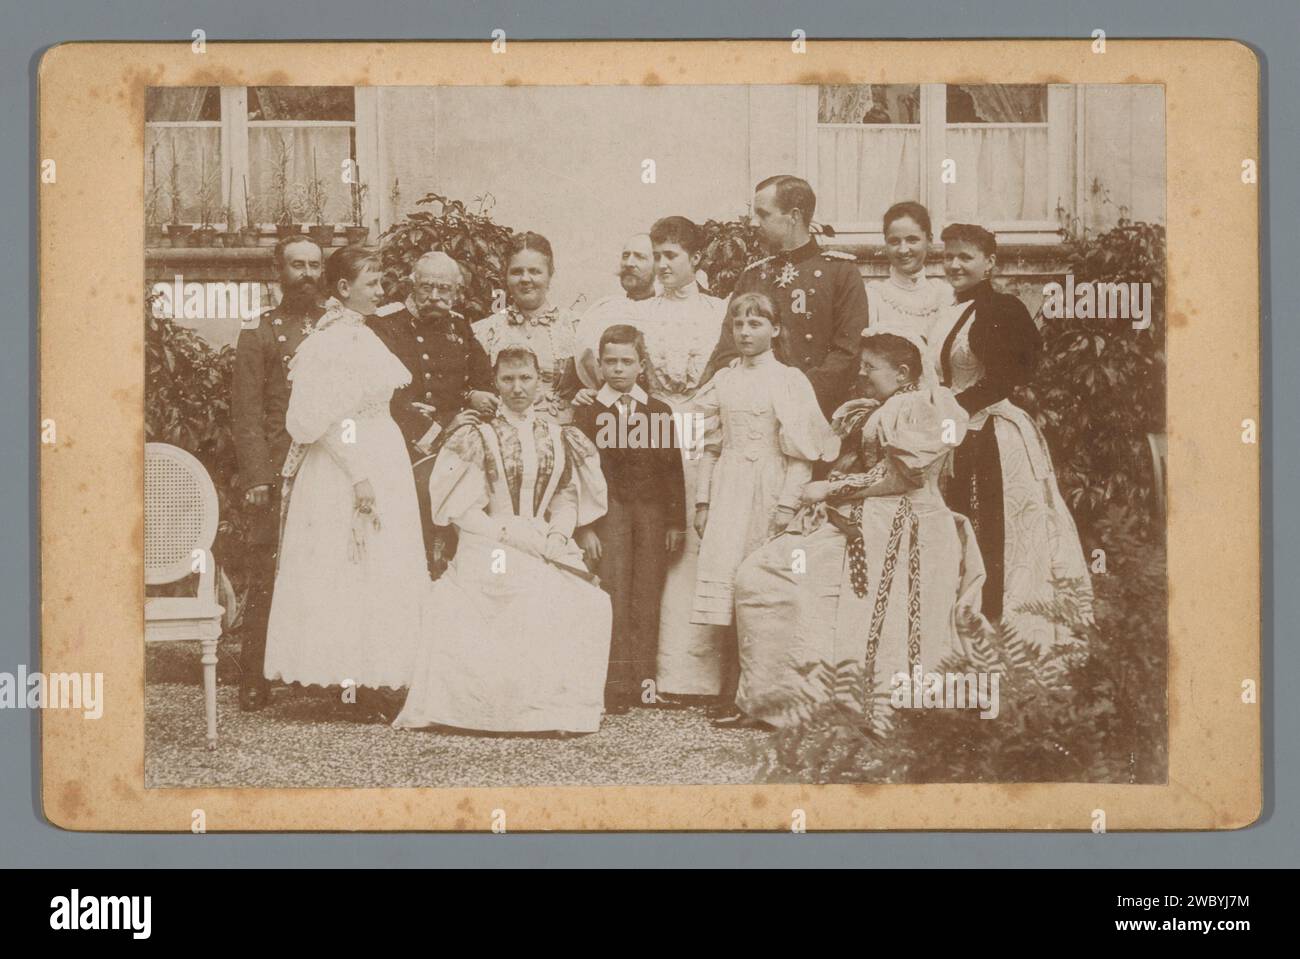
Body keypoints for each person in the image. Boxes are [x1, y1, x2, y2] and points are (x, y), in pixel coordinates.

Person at [732, 328, 987, 729]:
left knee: (785, 581)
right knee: (761, 574)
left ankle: (834, 706)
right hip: (862, 518)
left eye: (872, 367)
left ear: (903, 373)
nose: (862, 374)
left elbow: (905, 477)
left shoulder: (923, 406)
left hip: (906, 526)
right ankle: (781, 702)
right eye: (862, 365)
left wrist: (831, 488)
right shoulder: (871, 408)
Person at [394, 347, 612, 735]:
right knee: (518, 584)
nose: (517, 388)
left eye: (525, 378)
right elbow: (461, 509)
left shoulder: (558, 434)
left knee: (588, 599)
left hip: (543, 535)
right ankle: (493, 712)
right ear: (495, 382)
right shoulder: (476, 435)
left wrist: (559, 532)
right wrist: (507, 533)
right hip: (488, 539)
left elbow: (565, 496)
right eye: (508, 379)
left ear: (539, 381)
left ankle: (556, 710)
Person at [262, 246, 426, 707]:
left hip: (382, 455)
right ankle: (346, 682)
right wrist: (359, 475)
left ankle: (378, 675)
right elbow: (317, 420)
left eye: (380, 282)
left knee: (382, 566)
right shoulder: (327, 342)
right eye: (371, 283)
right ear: (343, 288)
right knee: (348, 570)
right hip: (344, 468)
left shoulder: (362, 335)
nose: (380, 290)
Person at [928, 223, 1091, 649]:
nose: (955, 264)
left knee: (993, 532)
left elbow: (1007, 376)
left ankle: (1005, 639)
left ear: (990, 262)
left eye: (966, 256)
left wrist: (953, 411)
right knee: (960, 529)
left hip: (992, 436)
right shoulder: (949, 309)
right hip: (957, 431)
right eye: (949, 256)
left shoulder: (1001, 309)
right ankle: (963, 639)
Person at [691, 292, 838, 724]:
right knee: (730, 584)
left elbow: (802, 455)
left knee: (766, 588)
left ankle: (771, 693)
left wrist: (787, 505)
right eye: (738, 324)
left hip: (773, 487)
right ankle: (732, 690)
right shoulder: (724, 380)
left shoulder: (789, 380)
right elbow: (710, 447)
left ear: (776, 330)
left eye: (756, 324)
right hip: (730, 489)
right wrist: (703, 501)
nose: (745, 332)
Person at [230, 235, 326, 711]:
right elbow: (245, 412)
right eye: (297, 265)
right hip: (277, 465)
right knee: (266, 568)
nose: (306, 275)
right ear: (278, 271)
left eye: (313, 266)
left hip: (327, 463)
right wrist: (257, 478)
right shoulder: (260, 330)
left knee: (324, 568)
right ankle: (254, 675)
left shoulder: (336, 326)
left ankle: (319, 674)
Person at [572, 325, 686, 714]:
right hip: (610, 512)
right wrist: (585, 526)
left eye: (627, 361)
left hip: (651, 512)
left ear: (641, 364)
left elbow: (672, 470)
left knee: (647, 595)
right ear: (599, 365)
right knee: (615, 592)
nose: (618, 369)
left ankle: (645, 685)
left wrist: (675, 522)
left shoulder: (658, 411)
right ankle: (614, 686)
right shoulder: (588, 412)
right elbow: (579, 473)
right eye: (610, 362)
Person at [367, 251, 497, 576]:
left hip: (455, 444)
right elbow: (384, 395)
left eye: (445, 290)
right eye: (427, 288)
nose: (435, 298)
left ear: (457, 292)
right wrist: (441, 427)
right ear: (411, 285)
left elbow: (482, 379)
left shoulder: (459, 325)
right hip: (405, 444)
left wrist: (470, 396)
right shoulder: (385, 323)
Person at [702, 175, 870, 417]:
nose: (753, 223)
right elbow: (727, 349)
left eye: (763, 214)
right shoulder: (752, 276)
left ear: (794, 216)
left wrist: (796, 396)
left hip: (815, 409)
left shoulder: (841, 273)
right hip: (753, 410)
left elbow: (848, 352)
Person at [471, 232, 582, 422]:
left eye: (535, 271)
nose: (525, 279)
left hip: (564, 431)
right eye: (516, 271)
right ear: (505, 276)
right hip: (504, 434)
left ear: (550, 274)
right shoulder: (486, 330)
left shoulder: (576, 326)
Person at [574, 233, 658, 389]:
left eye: (640, 257)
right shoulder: (602, 311)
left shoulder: (669, 312)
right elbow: (575, 378)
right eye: (625, 256)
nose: (629, 263)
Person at [866, 201, 953, 342]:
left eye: (912, 240)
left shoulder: (946, 295)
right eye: (894, 241)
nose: (903, 250)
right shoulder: (874, 296)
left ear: (929, 240)